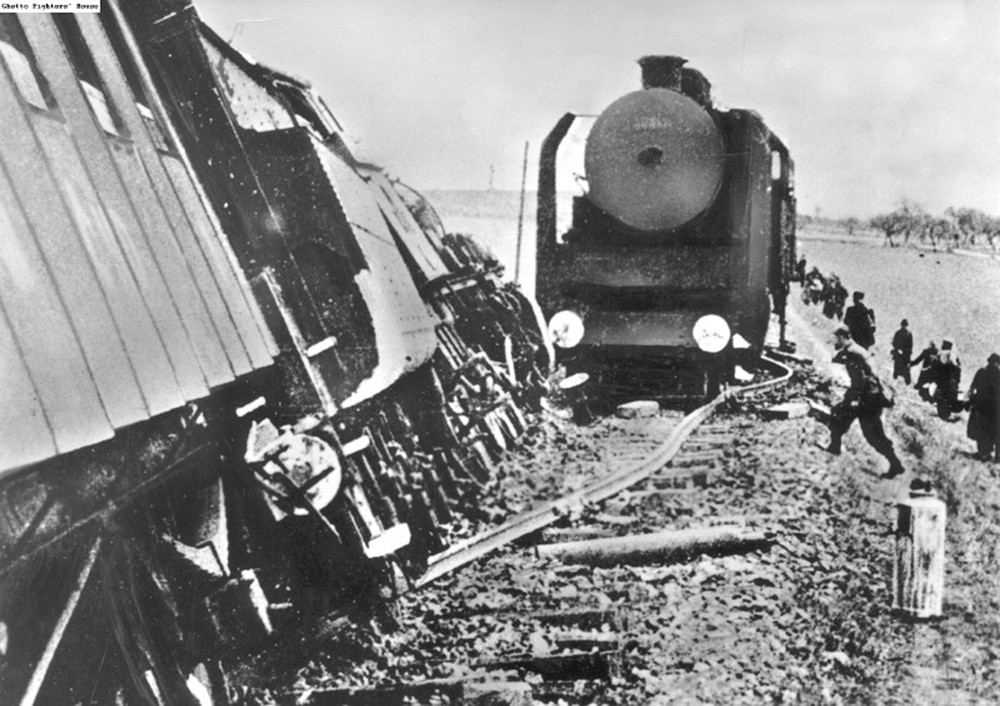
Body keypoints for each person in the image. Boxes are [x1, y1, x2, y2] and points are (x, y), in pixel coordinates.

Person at [820, 326, 905, 478]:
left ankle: (895, 464)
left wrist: (854, 400)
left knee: (872, 434)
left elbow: (860, 378)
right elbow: (838, 360)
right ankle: (834, 447)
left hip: (866, 398)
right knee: (839, 416)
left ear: (842, 337)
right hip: (868, 395)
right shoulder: (855, 349)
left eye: (836, 338)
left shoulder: (852, 352)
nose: (834, 341)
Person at [967, 353, 1000, 461]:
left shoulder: (981, 372)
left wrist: (971, 400)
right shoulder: (998, 374)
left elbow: (972, 388)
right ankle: (993, 454)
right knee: (993, 430)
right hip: (994, 407)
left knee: (981, 428)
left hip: (981, 405)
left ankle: (984, 452)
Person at [934, 339, 962, 420]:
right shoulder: (954, 356)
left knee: (942, 397)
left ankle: (944, 414)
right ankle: (948, 412)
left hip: (944, 380)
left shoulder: (943, 354)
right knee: (950, 396)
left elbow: (939, 367)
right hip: (952, 381)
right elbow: (958, 368)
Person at [891, 319, 914, 384]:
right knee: (905, 369)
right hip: (905, 355)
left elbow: (894, 343)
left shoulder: (898, 333)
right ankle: (906, 382)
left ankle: (898, 380)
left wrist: (898, 350)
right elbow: (910, 345)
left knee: (898, 368)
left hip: (901, 354)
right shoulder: (908, 333)